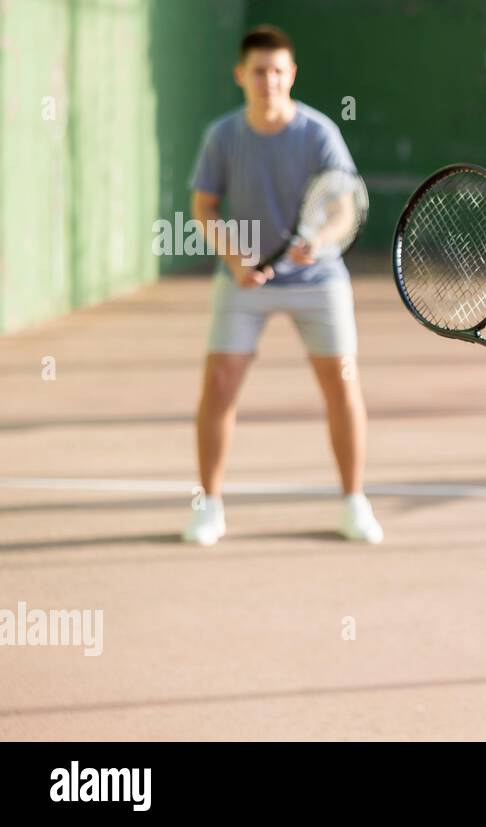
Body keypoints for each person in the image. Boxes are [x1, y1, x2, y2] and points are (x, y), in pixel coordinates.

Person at [182, 25, 383, 545]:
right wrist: (233, 260)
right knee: (220, 382)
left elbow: (344, 205)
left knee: (341, 383)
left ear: (290, 75)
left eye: (277, 71)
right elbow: (203, 207)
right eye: (258, 72)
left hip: (318, 279)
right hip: (244, 281)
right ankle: (210, 507)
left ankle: (353, 502)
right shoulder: (223, 136)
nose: (267, 81)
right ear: (240, 76)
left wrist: (320, 242)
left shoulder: (318, 133)